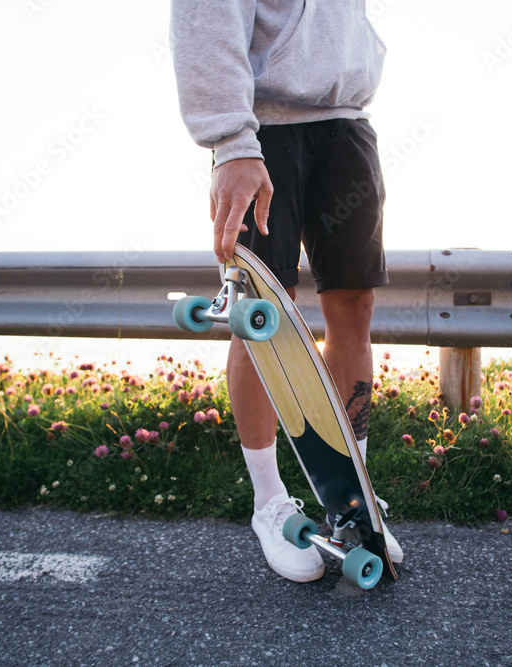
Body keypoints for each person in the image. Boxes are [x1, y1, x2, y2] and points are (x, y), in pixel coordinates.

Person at [170, 0, 402, 582]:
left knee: (354, 308)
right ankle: (270, 503)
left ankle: (352, 502)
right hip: (262, 133)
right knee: (261, 315)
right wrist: (231, 140)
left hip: (346, 124)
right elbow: (206, 19)